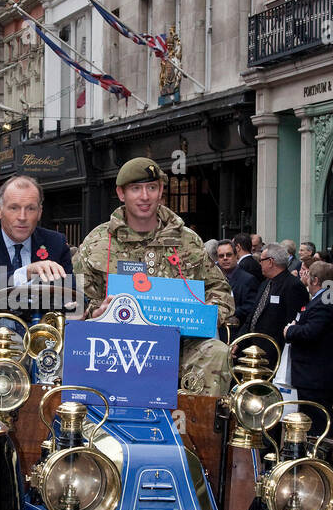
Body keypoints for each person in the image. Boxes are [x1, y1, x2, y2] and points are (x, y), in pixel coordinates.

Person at [75, 157, 234, 396]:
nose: (145, 196)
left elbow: (220, 290)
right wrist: (94, 314)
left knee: (217, 352)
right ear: (121, 193)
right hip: (116, 346)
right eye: (135, 189)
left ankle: (197, 430)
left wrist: (202, 315)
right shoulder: (96, 242)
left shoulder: (187, 240)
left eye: (152, 188)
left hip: (180, 345)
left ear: (161, 191)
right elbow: (76, 301)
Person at [0, 175, 73, 343]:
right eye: (14, 208)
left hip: (44, 339)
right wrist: (26, 272)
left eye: (30, 208)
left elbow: (70, 296)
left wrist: (89, 312)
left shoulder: (56, 243)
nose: (22, 216)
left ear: (40, 212)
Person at [283, 260, 333, 437]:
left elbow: (311, 332)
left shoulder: (325, 301)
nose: (304, 276)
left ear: (316, 280)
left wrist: (291, 330)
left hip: (315, 373)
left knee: (318, 419)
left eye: (308, 274)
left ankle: (324, 458)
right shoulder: (327, 297)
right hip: (315, 372)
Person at [247, 243, 309, 368]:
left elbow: (293, 322)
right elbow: (253, 315)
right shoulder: (265, 283)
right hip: (253, 349)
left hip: (274, 354)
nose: (260, 264)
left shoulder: (293, 286)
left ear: (270, 262)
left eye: (261, 260)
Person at [215, 239, 258, 338]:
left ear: (236, 256)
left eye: (228, 255)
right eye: (221, 256)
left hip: (236, 334)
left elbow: (250, 308)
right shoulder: (212, 279)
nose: (225, 258)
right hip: (214, 334)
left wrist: (227, 313)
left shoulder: (248, 279)